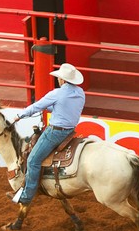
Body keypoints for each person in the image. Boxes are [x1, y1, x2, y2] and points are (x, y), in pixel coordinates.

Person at [10, 62, 86, 206]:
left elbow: (36, 106)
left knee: (33, 160)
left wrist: (19, 115)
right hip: (70, 131)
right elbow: (64, 108)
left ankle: (26, 196)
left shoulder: (57, 93)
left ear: (62, 79)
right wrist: (49, 107)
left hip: (55, 133)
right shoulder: (80, 93)